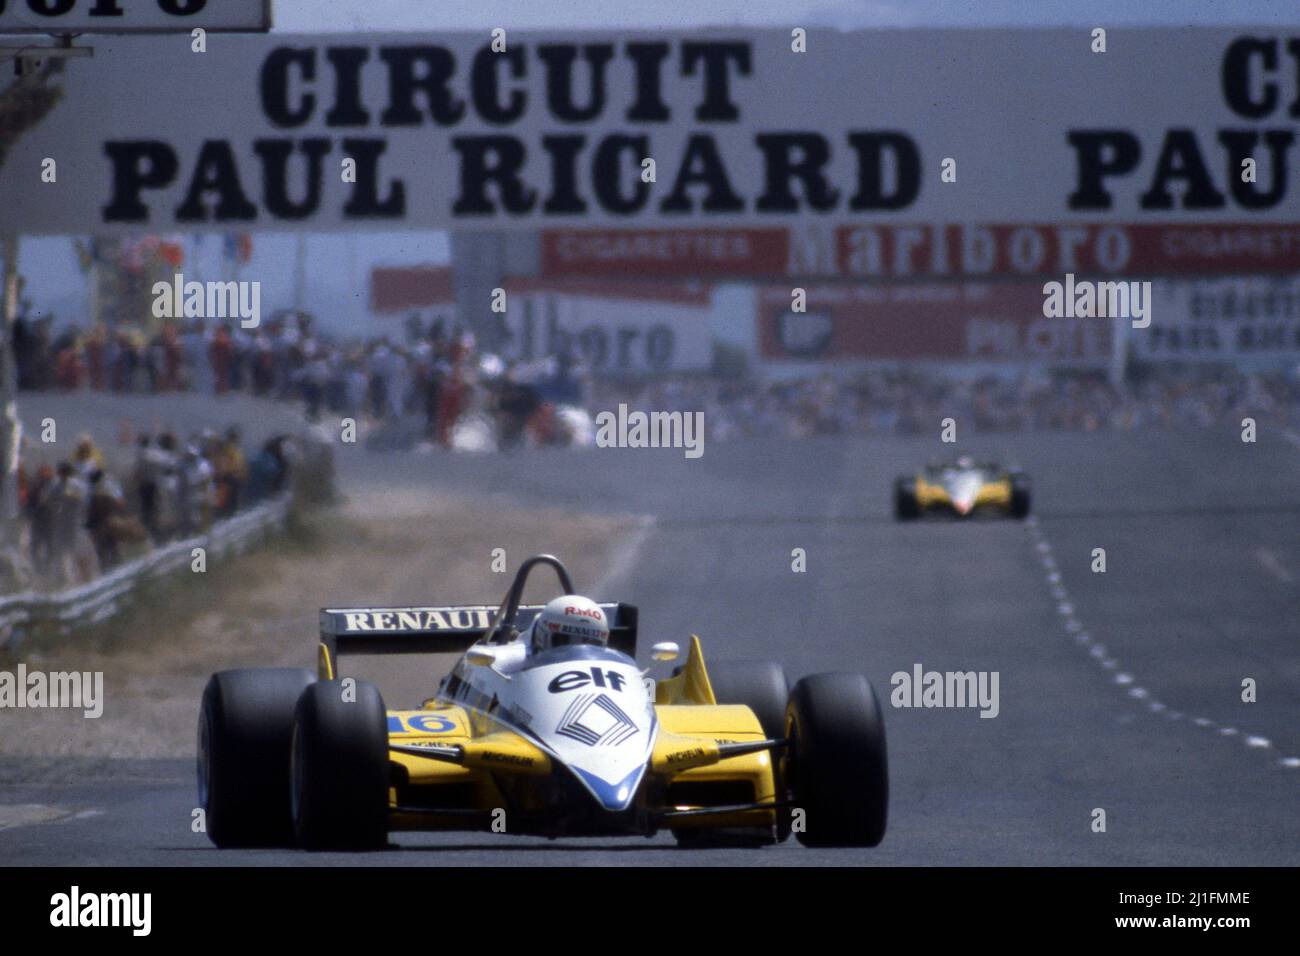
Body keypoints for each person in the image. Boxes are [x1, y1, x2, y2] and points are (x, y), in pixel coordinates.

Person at [525, 596, 610, 654]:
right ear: (541, 637)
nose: (578, 654)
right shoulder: (516, 662)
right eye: (565, 642)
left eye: (592, 644)